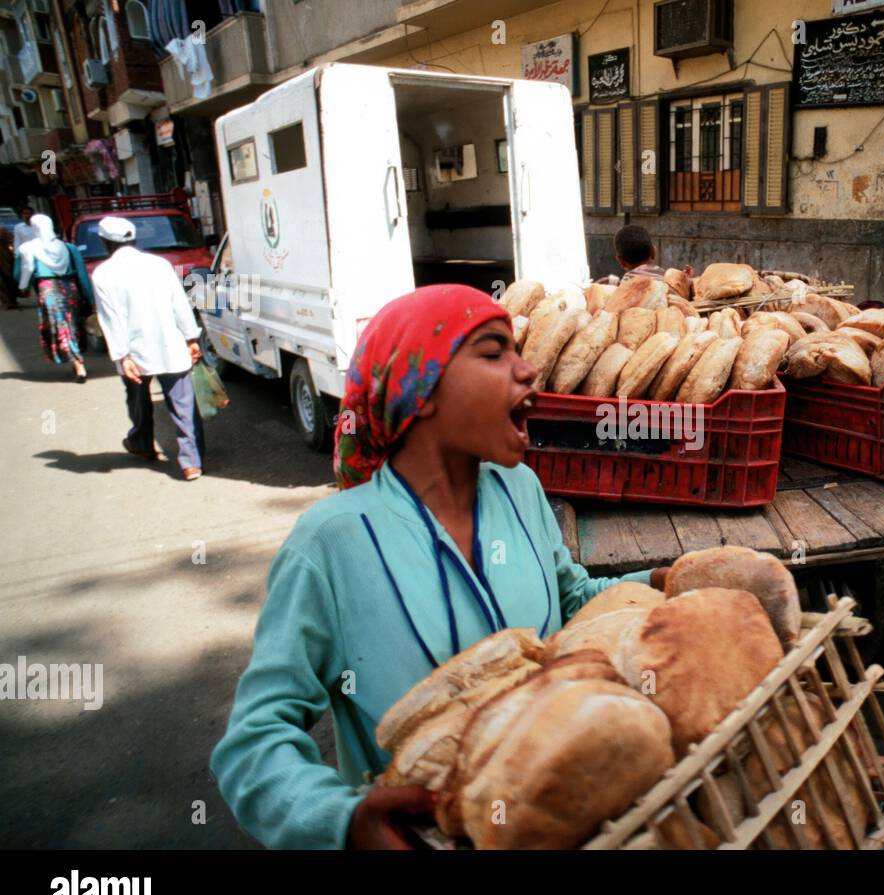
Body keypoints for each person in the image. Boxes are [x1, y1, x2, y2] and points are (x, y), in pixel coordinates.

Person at [211, 285, 670, 849]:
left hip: (567, 815)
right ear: (420, 388)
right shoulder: (330, 542)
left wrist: (659, 582)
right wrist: (341, 820)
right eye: (494, 351)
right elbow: (254, 742)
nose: (527, 371)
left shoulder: (519, 489)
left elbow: (573, 600)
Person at [90, 215, 205, 480]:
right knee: (183, 406)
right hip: (171, 346)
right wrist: (191, 337)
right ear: (134, 238)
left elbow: (110, 319)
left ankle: (142, 445)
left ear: (105, 242)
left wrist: (122, 355)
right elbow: (180, 303)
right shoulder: (159, 265)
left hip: (134, 352)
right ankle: (191, 463)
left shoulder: (103, 274)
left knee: (138, 403)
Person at [14, 213, 92, 382]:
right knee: (71, 324)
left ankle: (79, 365)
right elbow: (82, 275)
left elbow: (26, 269)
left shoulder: (28, 248)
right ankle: (76, 362)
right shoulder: (68, 247)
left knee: (61, 327)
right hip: (70, 289)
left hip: (48, 290)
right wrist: (89, 297)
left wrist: (22, 288)